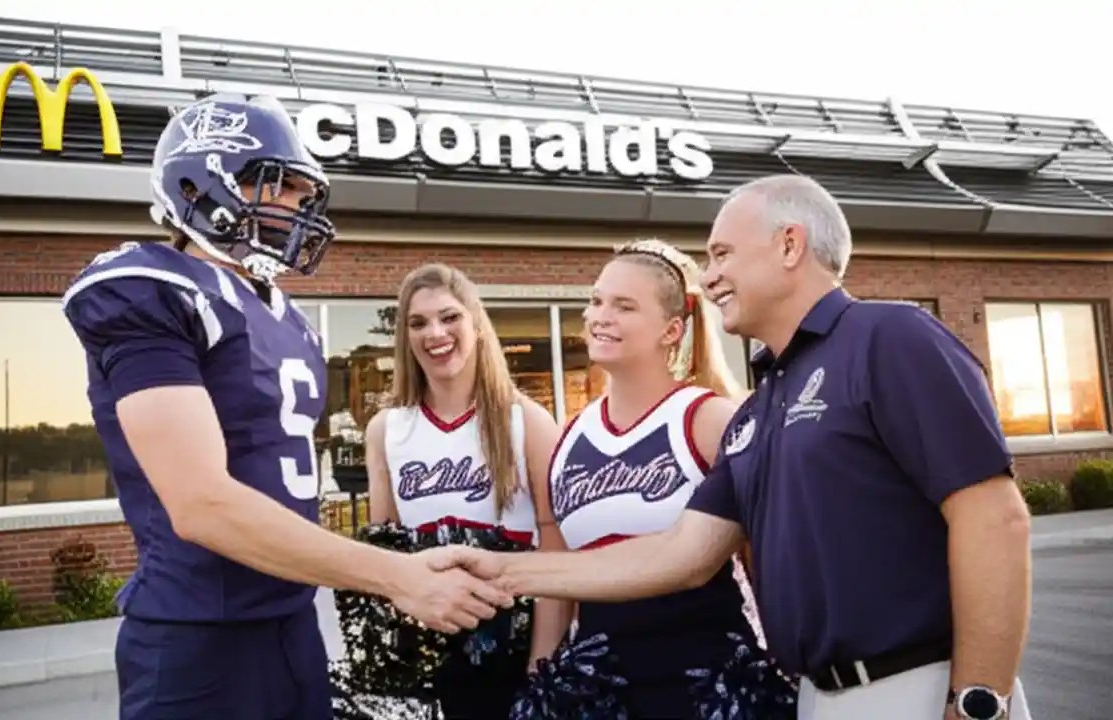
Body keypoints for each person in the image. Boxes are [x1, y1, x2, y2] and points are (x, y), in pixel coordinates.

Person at [427, 174, 1033, 720]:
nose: (709, 275)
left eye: (721, 254)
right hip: (817, 698)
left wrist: (979, 699)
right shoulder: (761, 406)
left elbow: (994, 519)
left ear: (789, 245)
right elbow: (679, 555)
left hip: (920, 688)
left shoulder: (888, 337)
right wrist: (504, 570)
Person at [60, 94, 510, 720]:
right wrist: (395, 577)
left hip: (291, 621)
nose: (300, 208)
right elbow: (201, 504)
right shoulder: (149, 288)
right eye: (284, 188)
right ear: (206, 181)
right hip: (200, 631)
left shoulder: (286, 317)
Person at [510, 238, 795, 719]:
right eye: (596, 300)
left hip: (705, 683)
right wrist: (539, 680)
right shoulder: (568, 437)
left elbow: (763, 560)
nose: (601, 316)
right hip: (599, 687)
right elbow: (556, 576)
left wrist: (790, 666)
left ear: (671, 330)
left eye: (624, 306)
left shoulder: (710, 420)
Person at [339, 262, 564, 719]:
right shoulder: (387, 430)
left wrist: (541, 670)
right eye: (417, 323)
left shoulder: (525, 420)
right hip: (425, 659)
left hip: (511, 653)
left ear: (477, 324)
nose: (434, 333)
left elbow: (557, 555)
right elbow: (390, 556)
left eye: (449, 317)